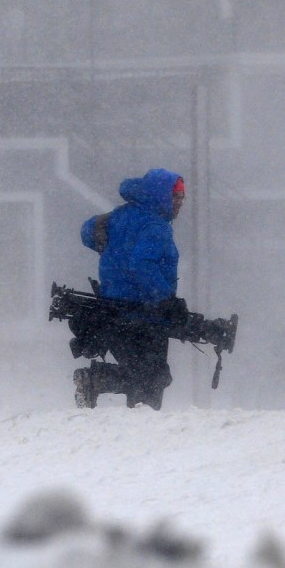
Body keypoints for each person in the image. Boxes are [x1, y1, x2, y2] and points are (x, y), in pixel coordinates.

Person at [73, 168, 185, 409]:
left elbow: (88, 232)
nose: (179, 203)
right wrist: (165, 299)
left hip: (112, 312)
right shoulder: (156, 226)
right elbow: (141, 264)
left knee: (142, 374)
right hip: (144, 315)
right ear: (160, 195)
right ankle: (97, 381)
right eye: (175, 196)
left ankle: (98, 381)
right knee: (152, 379)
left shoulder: (120, 217)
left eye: (182, 198)